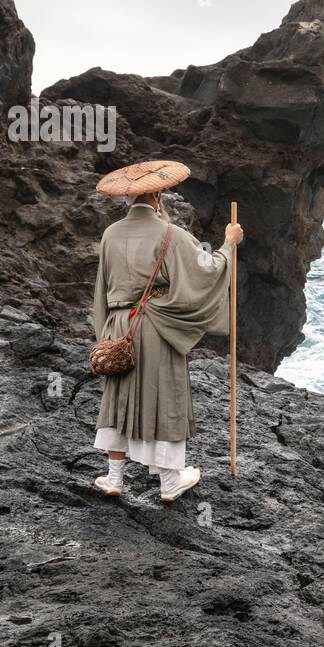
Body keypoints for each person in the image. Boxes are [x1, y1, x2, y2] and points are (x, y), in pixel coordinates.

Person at [88, 161, 244, 502]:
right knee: (165, 398)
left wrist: (104, 333)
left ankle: (114, 478)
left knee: (118, 398)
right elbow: (207, 272)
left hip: (118, 325)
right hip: (156, 328)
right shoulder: (171, 234)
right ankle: (170, 482)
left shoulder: (110, 233)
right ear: (158, 194)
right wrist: (229, 244)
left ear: (129, 198)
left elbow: (102, 287)